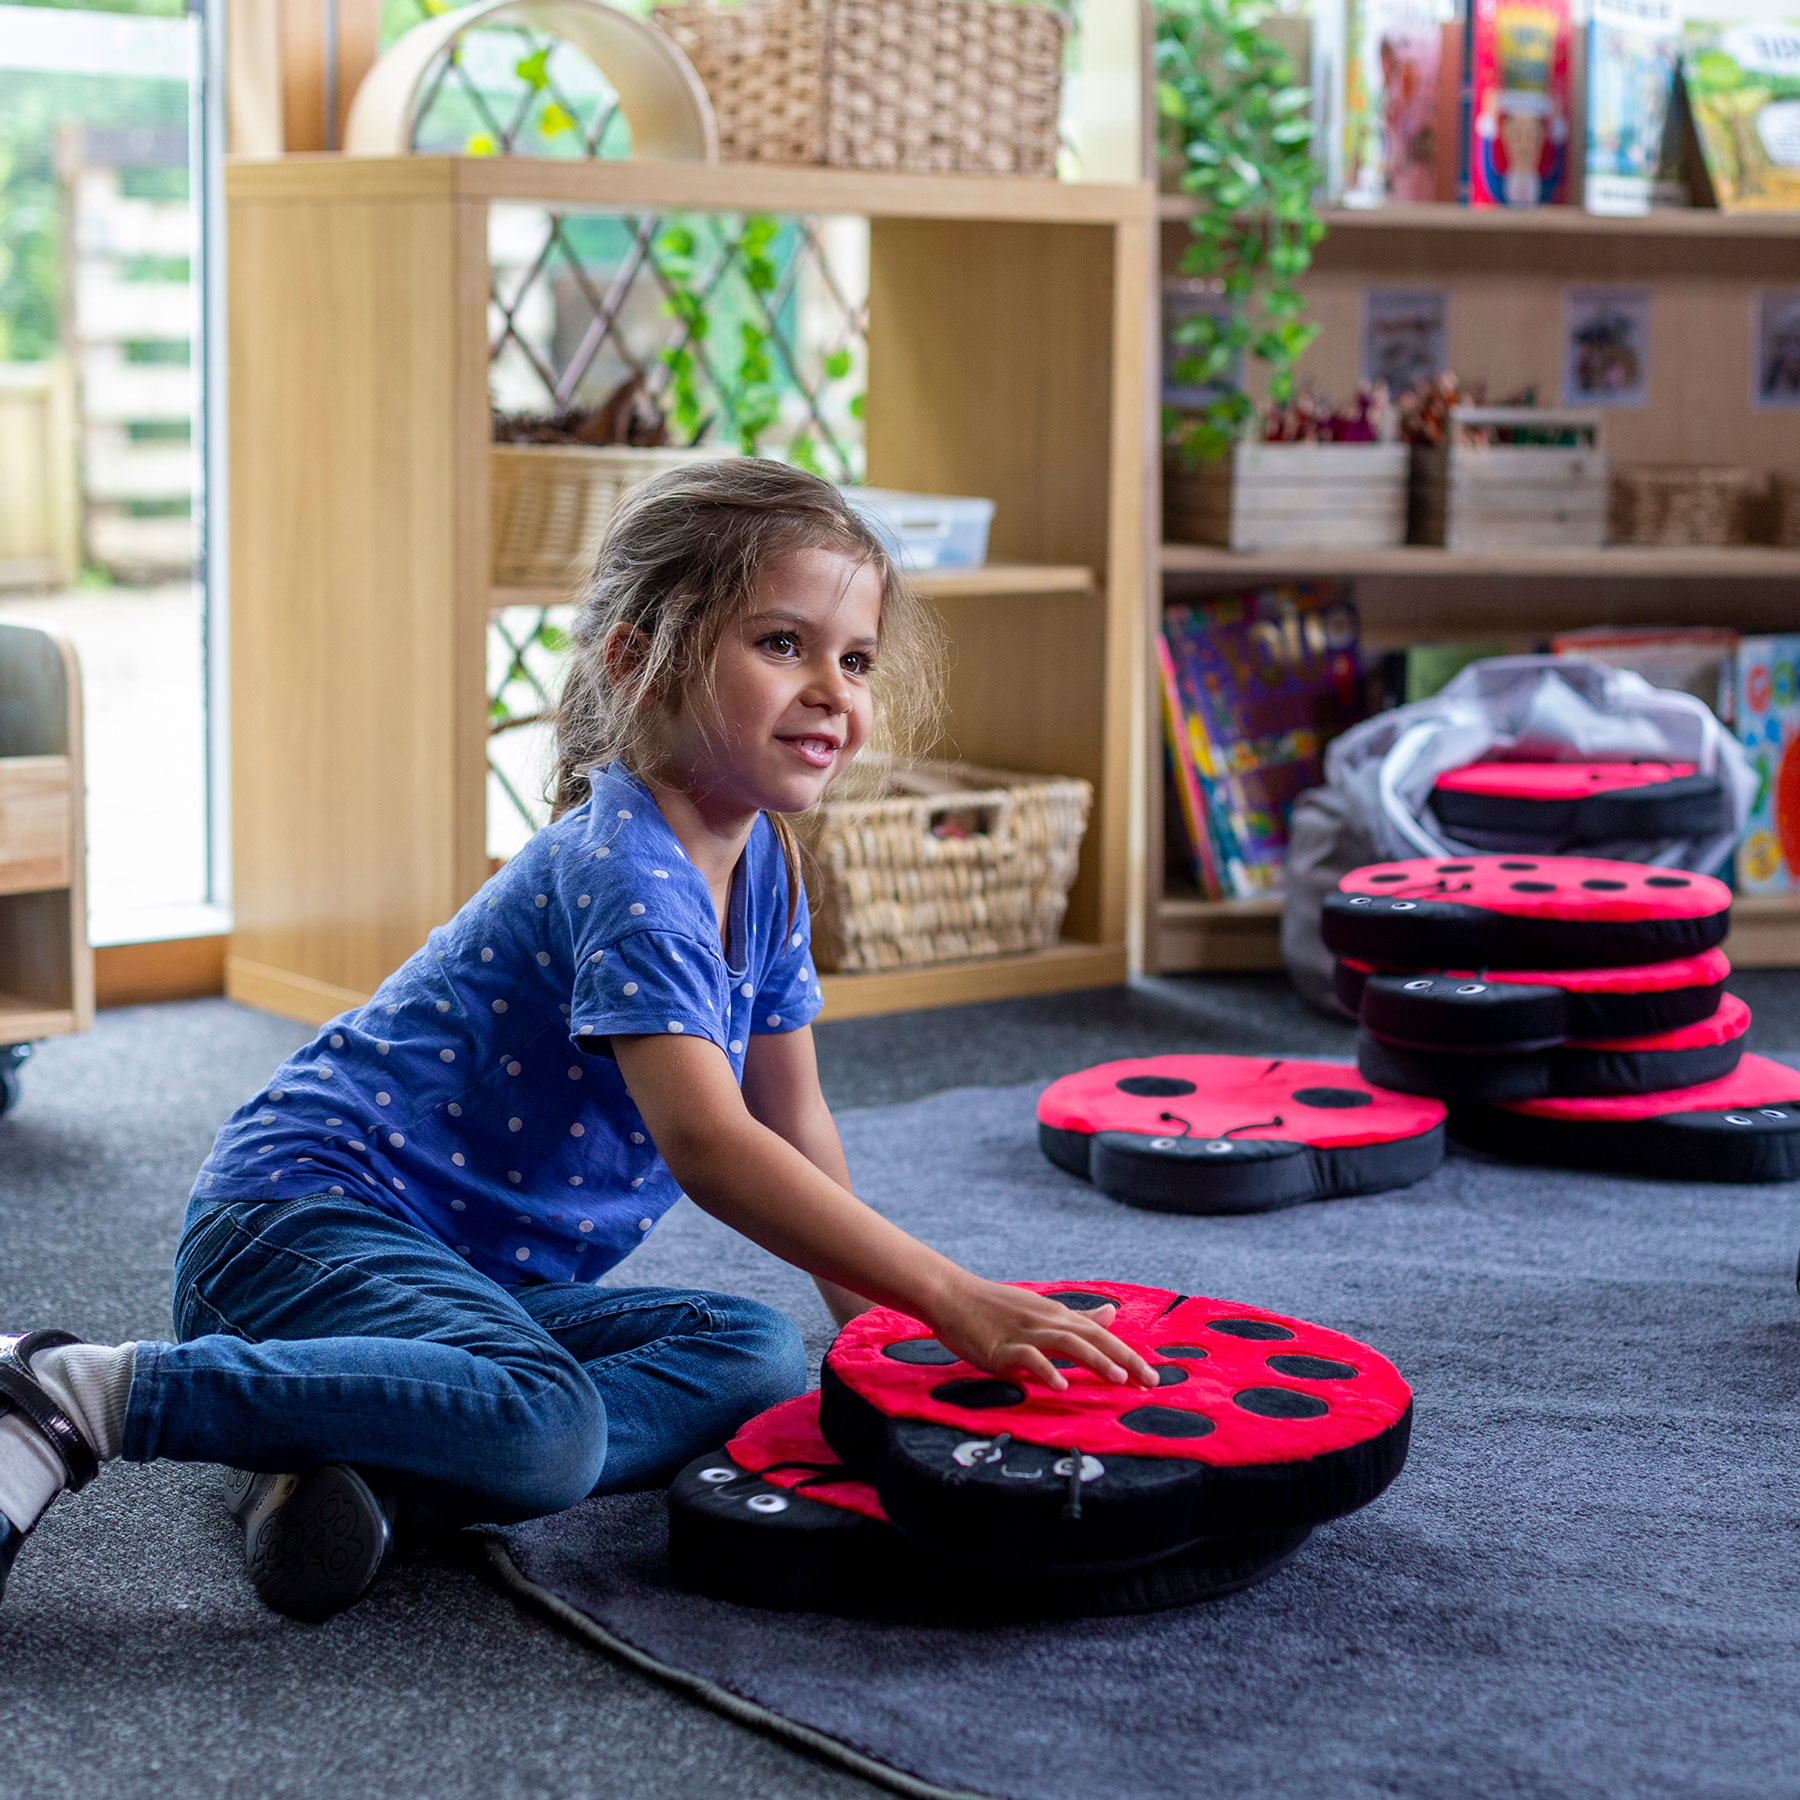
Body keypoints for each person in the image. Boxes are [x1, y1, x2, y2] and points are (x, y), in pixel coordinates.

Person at [0, 460, 1154, 1621]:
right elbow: (711, 1143)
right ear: (634, 660)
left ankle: (364, 1475)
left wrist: (884, 1337)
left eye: (853, 660)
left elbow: (791, 1118)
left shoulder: (765, 866)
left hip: (462, 1294)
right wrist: (954, 1296)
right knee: (551, 1429)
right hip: (297, 1237)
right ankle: (82, 1390)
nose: (831, 690)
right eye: (782, 645)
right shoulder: (631, 870)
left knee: (752, 1353)